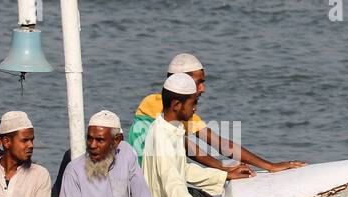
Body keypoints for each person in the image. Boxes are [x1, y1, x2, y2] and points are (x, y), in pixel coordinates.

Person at [126, 53, 305, 175]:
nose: (203, 89)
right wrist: (225, 170)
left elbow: (217, 143)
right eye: (199, 82)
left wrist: (267, 166)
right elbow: (188, 146)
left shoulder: (178, 109)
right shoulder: (154, 104)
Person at [142, 73, 253, 197]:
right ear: (176, 105)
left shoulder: (172, 126)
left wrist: (225, 175)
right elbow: (172, 184)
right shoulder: (162, 138)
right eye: (193, 103)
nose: (195, 109)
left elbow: (183, 169)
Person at [53, 111, 164, 197]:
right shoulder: (74, 171)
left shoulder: (127, 154)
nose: (92, 145)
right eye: (89, 139)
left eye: (100, 140)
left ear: (116, 140)